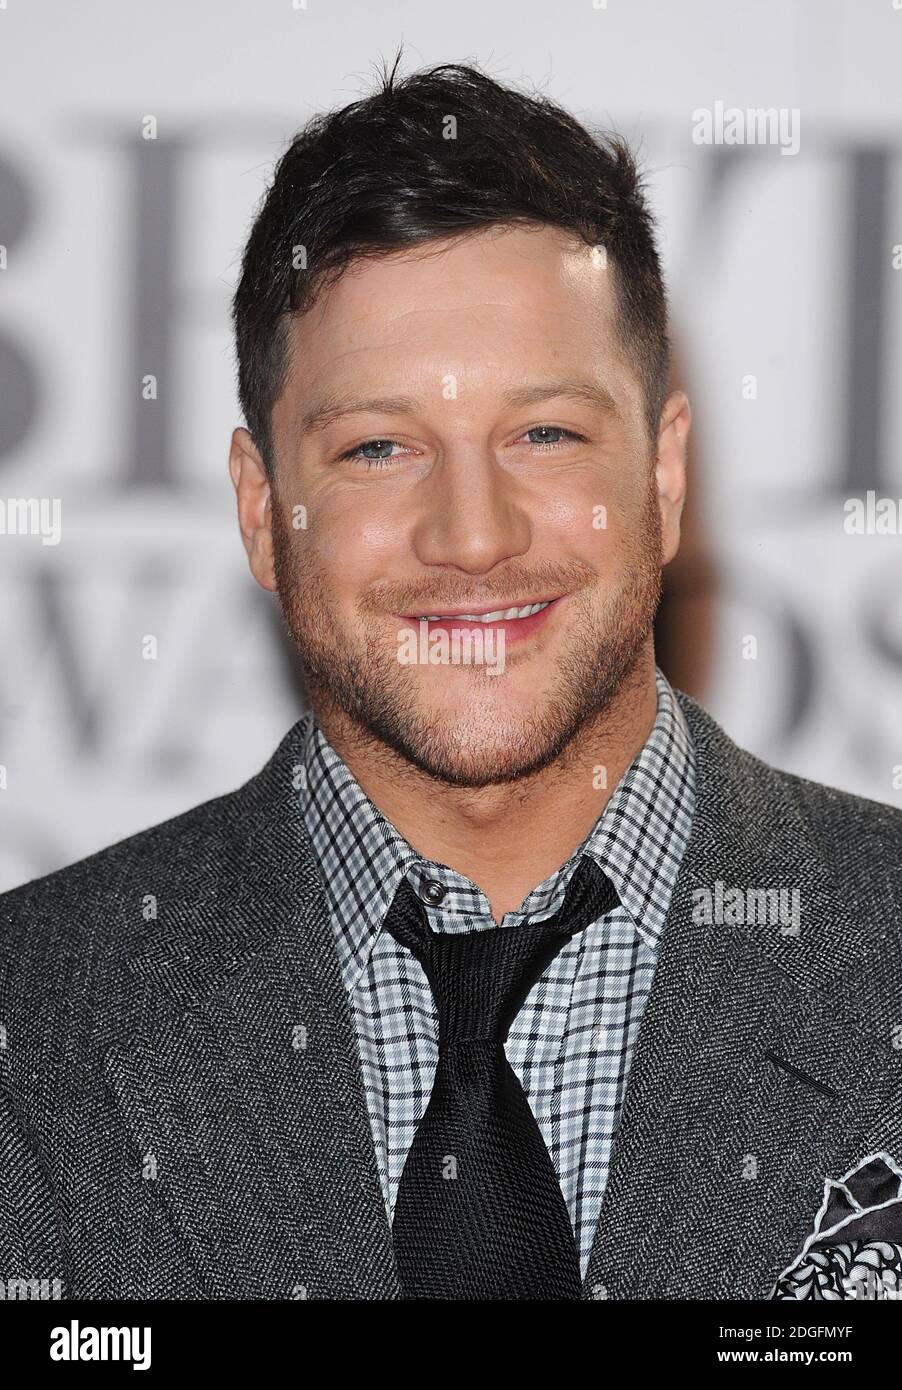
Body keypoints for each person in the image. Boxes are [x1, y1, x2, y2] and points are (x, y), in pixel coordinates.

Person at [2, 57, 901, 1302]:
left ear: (661, 475)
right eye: (379, 447)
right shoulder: (32, 1018)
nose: (472, 537)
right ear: (262, 511)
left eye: (543, 433)